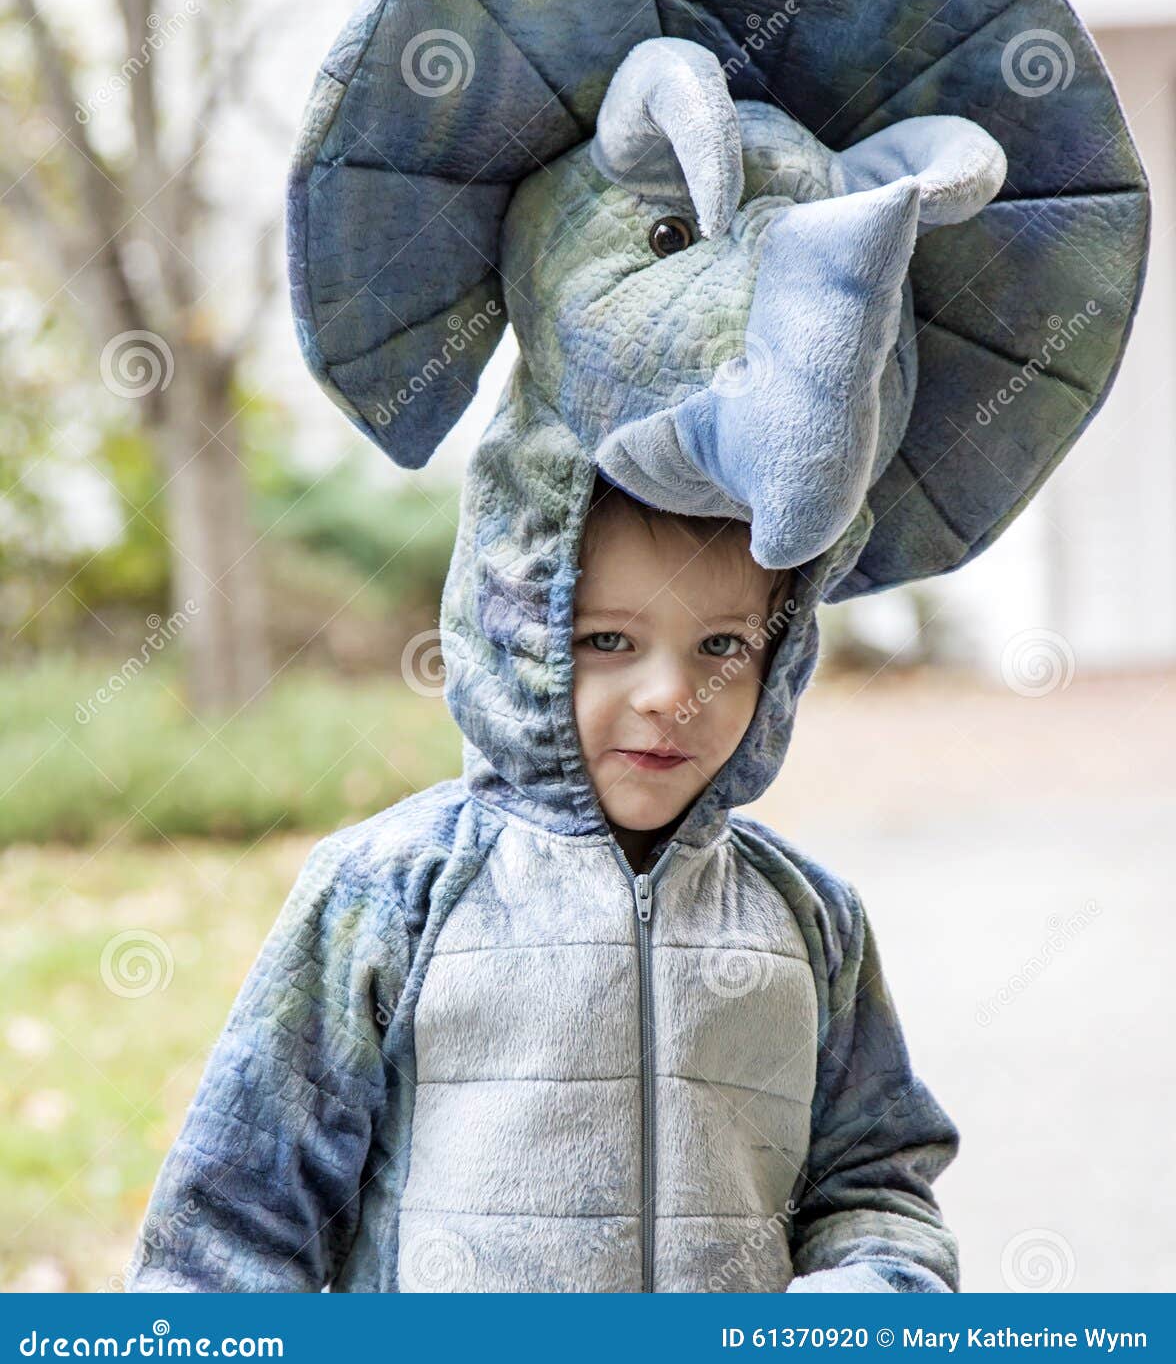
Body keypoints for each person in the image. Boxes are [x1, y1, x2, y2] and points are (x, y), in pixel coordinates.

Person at [123, 463, 959, 1295]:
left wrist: (870, 1296)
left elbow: (872, 1183)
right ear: (515, 640)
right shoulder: (389, 890)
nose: (672, 694)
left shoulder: (810, 915)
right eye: (607, 641)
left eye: (722, 646)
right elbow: (234, 1225)